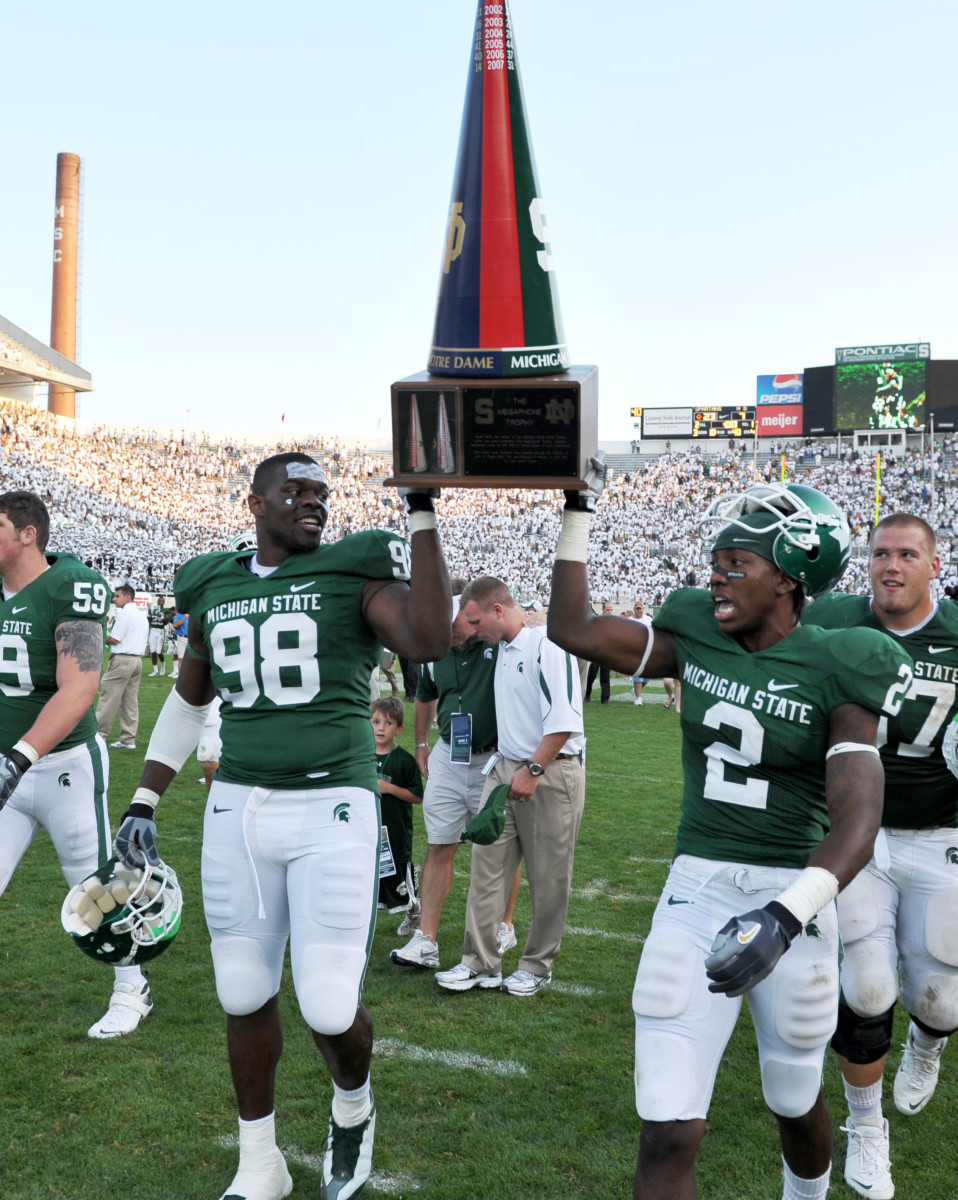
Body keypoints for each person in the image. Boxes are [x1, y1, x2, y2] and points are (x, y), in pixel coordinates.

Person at [547, 474, 913, 1200]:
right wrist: (577, 511)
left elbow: (858, 820)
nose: (716, 576)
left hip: (795, 895)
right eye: (715, 562)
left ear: (789, 578)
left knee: (792, 1094)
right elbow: (573, 629)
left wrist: (785, 915)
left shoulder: (841, 659)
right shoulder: (694, 630)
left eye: (736, 564)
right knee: (666, 1124)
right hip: (696, 887)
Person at [114, 452, 450, 1200]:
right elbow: (190, 699)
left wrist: (423, 514)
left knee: (328, 1002)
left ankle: (353, 1106)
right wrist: (143, 799)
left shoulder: (355, 570)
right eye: (295, 491)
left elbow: (428, 640)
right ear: (255, 503)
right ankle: (258, 1159)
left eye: (321, 493)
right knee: (241, 991)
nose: (313, 503)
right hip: (239, 805)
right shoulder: (213, 581)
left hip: (332, 805)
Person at [803, 512, 958, 1198]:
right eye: (880, 554)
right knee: (866, 985)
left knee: (943, 999)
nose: (891, 566)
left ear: (934, 564)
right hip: (858, 834)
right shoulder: (833, 619)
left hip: (942, 833)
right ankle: (867, 1127)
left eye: (907, 554)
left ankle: (928, 1043)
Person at [0, 490, 153, 1039]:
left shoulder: (72, 585)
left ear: (27, 535)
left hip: (61, 767)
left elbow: (80, 687)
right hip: (5, 767)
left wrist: (18, 759)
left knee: (94, 888)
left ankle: (133, 987)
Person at [435, 576, 585, 997]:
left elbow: (565, 721)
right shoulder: (499, 646)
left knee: (548, 876)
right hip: (505, 767)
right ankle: (480, 962)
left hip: (550, 769)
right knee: (486, 866)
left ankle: (537, 965)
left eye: (476, 621)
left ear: (498, 611)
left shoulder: (547, 645)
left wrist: (533, 770)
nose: (472, 630)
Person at [390, 589, 519, 970]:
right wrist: (420, 742)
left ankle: (504, 924)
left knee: (498, 846)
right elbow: (425, 695)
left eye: (449, 625)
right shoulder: (434, 650)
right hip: (449, 753)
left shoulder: (498, 643)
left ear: (467, 614)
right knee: (439, 843)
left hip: (495, 755)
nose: (444, 633)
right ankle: (426, 939)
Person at [371, 696, 423, 915]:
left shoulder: (404, 760)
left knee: (399, 883)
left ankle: (415, 910)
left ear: (399, 729)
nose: (381, 728)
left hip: (395, 832)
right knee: (369, 879)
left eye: (388, 723)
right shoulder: (361, 756)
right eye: (376, 722)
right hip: (367, 828)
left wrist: (390, 788)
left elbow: (417, 796)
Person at [96, 584, 149, 749]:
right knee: (130, 701)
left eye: (117, 596)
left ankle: (99, 735)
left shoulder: (125, 614)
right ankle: (128, 739)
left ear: (128, 597)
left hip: (122, 659)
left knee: (108, 698)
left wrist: (100, 632)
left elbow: (114, 639)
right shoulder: (141, 615)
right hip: (137, 660)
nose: (114, 599)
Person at [585, 601, 614, 703]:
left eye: (611, 610)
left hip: (607, 652)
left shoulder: (614, 623)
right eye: (608, 610)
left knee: (605, 676)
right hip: (595, 652)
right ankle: (586, 694)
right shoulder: (596, 621)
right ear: (603, 609)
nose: (610, 612)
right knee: (591, 675)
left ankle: (605, 699)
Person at [630, 600, 652, 705]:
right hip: (635, 650)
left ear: (643, 609)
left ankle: (635, 691)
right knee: (638, 673)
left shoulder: (649, 620)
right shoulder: (629, 621)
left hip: (647, 650)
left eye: (640, 608)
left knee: (649, 674)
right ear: (634, 609)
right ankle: (638, 698)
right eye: (637, 608)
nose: (639, 610)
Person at [146, 596, 169, 676]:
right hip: (153, 630)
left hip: (160, 631)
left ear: (164, 602)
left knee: (159, 652)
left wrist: (162, 617)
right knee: (153, 651)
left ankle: (163, 665)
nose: (160, 603)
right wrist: (151, 616)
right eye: (159, 601)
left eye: (162, 601)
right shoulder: (152, 609)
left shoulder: (165, 610)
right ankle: (155, 670)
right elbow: (149, 620)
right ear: (157, 601)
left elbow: (166, 622)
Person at [170, 609, 188, 679]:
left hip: (192, 638)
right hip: (182, 637)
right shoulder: (180, 615)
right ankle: (181, 677)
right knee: (181, 659)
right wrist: (184, 617)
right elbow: (175, 625)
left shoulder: (193, 613)